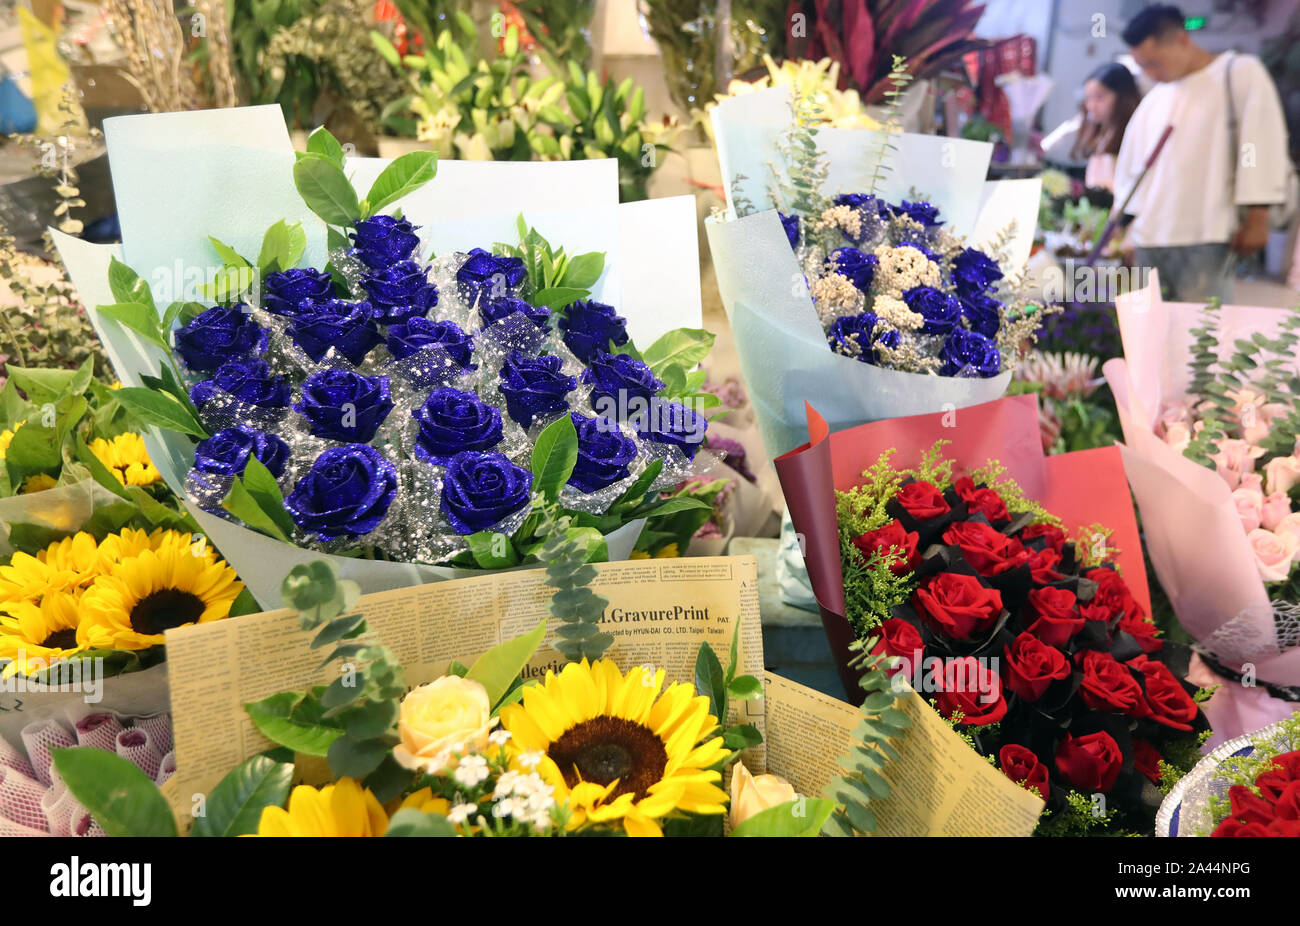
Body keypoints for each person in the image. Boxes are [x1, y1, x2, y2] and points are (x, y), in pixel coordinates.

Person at [1113, 4, 1291, 302]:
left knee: (1201, 335)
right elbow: (1133, 166)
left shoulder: (1238, 73)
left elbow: (1256, 144)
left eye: (1154, 62)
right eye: (1142, 66)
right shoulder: (1156, 98)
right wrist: (1126, 229)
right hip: (1150, 235)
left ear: (1182, 39)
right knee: (1148, 331)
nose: (1150, 73)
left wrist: (1258, 215)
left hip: (1208, 234)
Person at [1071, 63, 1142, 192]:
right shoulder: (1100, 130)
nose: (1091, 106)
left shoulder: (1133, 134)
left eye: (1099, 98)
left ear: (1122, 97)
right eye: (1088, 98)